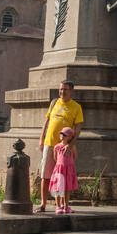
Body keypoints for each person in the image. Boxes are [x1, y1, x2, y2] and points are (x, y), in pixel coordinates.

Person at [38, 81, 83, 213]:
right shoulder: (54, 103)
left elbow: (78, 128)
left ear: (71, 91)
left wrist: (71, 145)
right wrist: (41, 139)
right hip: (49, 143)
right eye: (61, 89)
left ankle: (63, 205)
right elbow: (46, 122)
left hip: (64, 147)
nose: (62, 92)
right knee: (45, 176)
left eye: (65, 89)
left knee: (63, 176)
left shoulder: (76, 107)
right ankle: (43, 204)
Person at [50, 126, 78, 214]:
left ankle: (66, 206)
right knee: (58, 188)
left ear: (70, 137)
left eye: (64, 134)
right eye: (61, 133)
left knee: (67, 188)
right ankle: (58, 206)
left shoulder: (72, 147)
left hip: (69, 169)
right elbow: (55, 158)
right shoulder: (57, 147)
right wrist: (60, 165)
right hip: (59, 169)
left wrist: (69, 164)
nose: (62, 135)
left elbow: (75, 157)